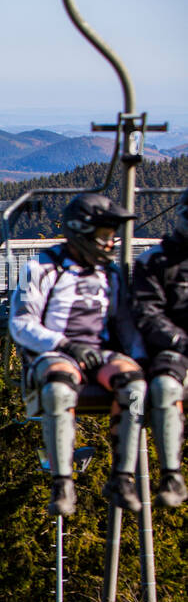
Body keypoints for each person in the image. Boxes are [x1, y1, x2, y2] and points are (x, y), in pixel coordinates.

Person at [9, 192, 145, 516]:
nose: (109, 244)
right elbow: (21, 321)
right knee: (58, 388)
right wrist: (65, 344)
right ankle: (63, 481)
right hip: (58, 350)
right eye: (103, 236)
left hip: (100, 353)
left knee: (134, 387)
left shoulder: (111, 275)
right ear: (81, 233)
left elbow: (126, 327)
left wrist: (144, 361)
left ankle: (122, 476)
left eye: (112, 237)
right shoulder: (41, 267)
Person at [130, 187, 188, 507]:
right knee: (165, 387)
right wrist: (177, 340)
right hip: (172, 350)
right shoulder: (155, 261)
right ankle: (171, 473)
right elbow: (146, 312)